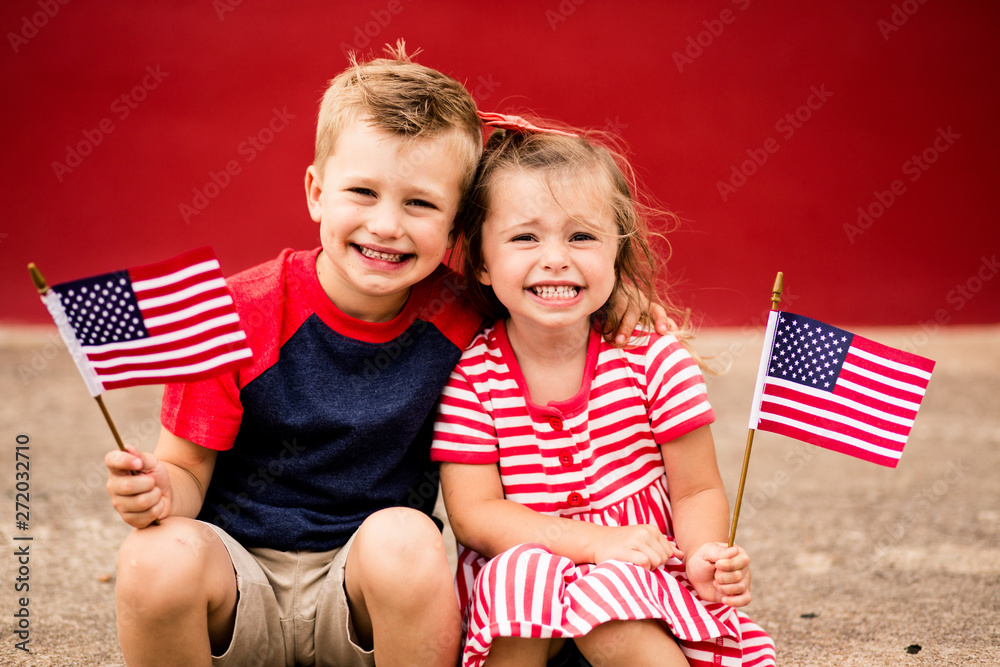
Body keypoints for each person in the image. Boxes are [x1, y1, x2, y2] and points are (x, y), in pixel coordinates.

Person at [104, 45, 670, 667]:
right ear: (317, 192)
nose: (387, 224)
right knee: (153, 557)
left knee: (410, 534)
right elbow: (184, 473)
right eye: (363, 192)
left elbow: (546, 299)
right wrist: (157, 492)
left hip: (369, 598)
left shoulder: (459, 314)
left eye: (420, 203)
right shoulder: (234, 315)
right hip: (238, 590)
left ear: (459, 225)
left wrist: (617, 300)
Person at [431, 117, 777, 667]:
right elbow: (476, 514)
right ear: (479, 259)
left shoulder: (654, 360)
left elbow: (694, 491)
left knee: (606, 598)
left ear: (616, 253)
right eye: (525, 237)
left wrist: (706, 553)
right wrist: (592, 544)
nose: (556, 258)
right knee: (520, 571)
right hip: (525, 603)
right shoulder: (472, 376)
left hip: (638, 586)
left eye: (582, 236)